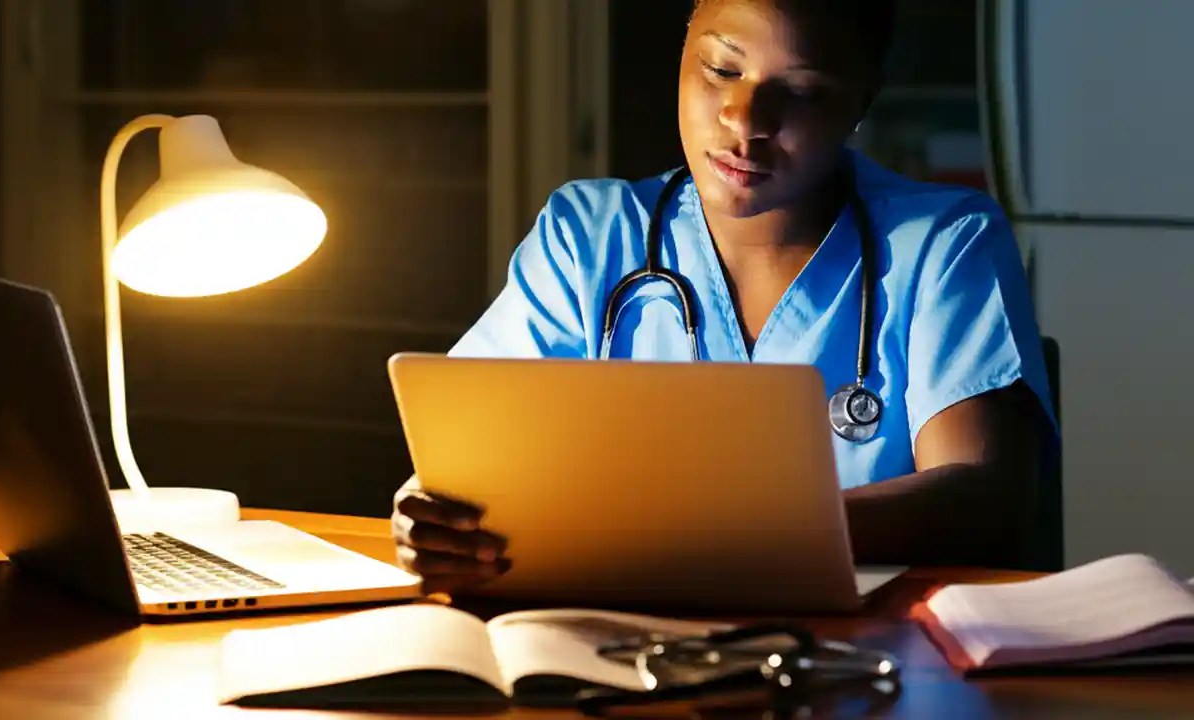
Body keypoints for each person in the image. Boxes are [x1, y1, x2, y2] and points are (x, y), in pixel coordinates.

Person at [391, 0, 1058, 595]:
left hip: (867, 663)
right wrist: (435, 512)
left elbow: (983, 496)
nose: (746, 121)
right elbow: (469, 455)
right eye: (720, 69)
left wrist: (700, 536)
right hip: (613, 634)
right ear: (683, 49)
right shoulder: (588, 238)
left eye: (800, 90)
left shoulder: (942, 242)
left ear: (861, 101)